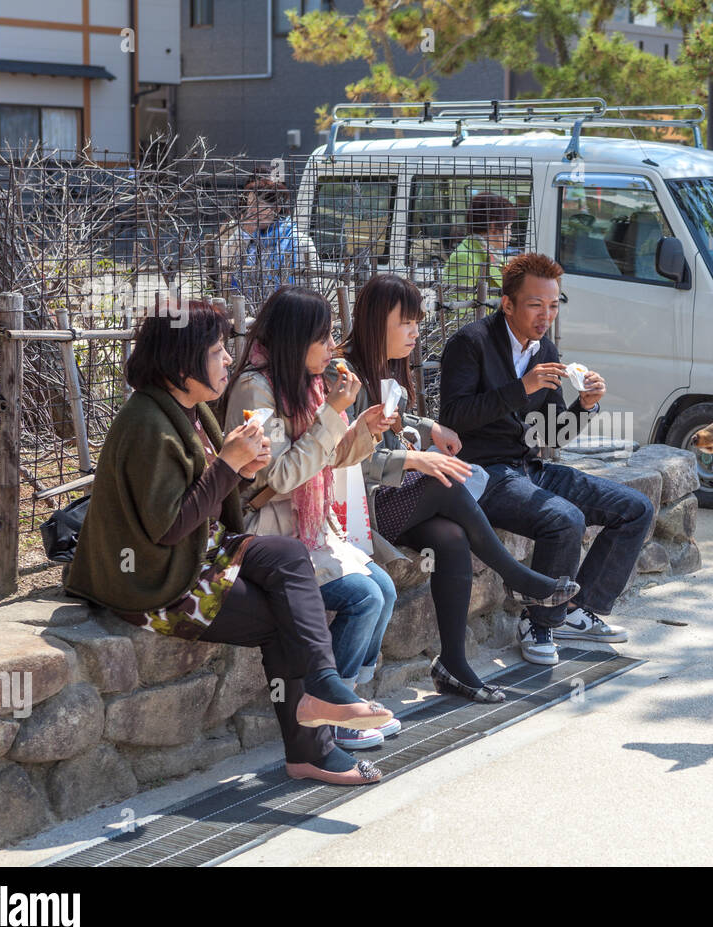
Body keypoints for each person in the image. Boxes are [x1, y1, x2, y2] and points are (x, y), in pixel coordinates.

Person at [65, 301, 392, 786]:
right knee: (284, 617)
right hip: (153, 580)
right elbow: (167, 528)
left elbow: (219, 498)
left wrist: (240, 466)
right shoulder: (148, 425)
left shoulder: (184, 407)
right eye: (216, 351)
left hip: (200, 550)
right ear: (181, 365)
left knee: (288, 556)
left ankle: (323, 686)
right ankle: (311, 750)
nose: (226, 360)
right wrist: (228, 466)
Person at [343, 272, 581, 702]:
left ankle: (453, 665)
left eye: (418, 322)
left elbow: (396, 419)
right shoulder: (346, 376)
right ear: (378, 322)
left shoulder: (387, 366)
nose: (417, 332)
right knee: (448, 479)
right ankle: (518, 576)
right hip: (358, 508)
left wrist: (429, 426)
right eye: (407, 323)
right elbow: (344, 460)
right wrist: (415, 458)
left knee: (451, 537)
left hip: (391, 497)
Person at [439, 252, 655, 666]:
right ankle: (538, 621)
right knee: (565, 518)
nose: (546, 315)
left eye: (554, 305)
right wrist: (522, 387)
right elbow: (454, 417)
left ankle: (575, 609)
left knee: (634, 508)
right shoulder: (470, 343)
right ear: (508, 304)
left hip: (528, 468)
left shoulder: (545, 350)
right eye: (536, 304)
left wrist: (585, 406)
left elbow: (547, 435)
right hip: (483, 472)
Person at [221, 286, 399, 752]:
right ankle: (329, 712)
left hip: (308, 526)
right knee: (363, 597)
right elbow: (278, 475)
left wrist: (362, 429)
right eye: (323, 338)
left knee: (386, 588)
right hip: (268, 532)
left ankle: (351, 697)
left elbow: (328, 458)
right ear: (296, 339)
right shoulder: (255, 387)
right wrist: (335, 414)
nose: (332, 347)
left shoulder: (305, 380)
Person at [214, 171, 324, 306]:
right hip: (252, 315)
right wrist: (243, 232)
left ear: (276, 209)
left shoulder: (300, 242)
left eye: (257, 205)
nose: (251, 211)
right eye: (249, 205)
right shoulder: (250, 241)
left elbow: (316, 290)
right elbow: (224, 268)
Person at [445, 192, 516, 294]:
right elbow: (459, 307)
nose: (510, 234)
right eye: (508, 227)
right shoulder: (464, 258)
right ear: (493, 226)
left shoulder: (490, 253)